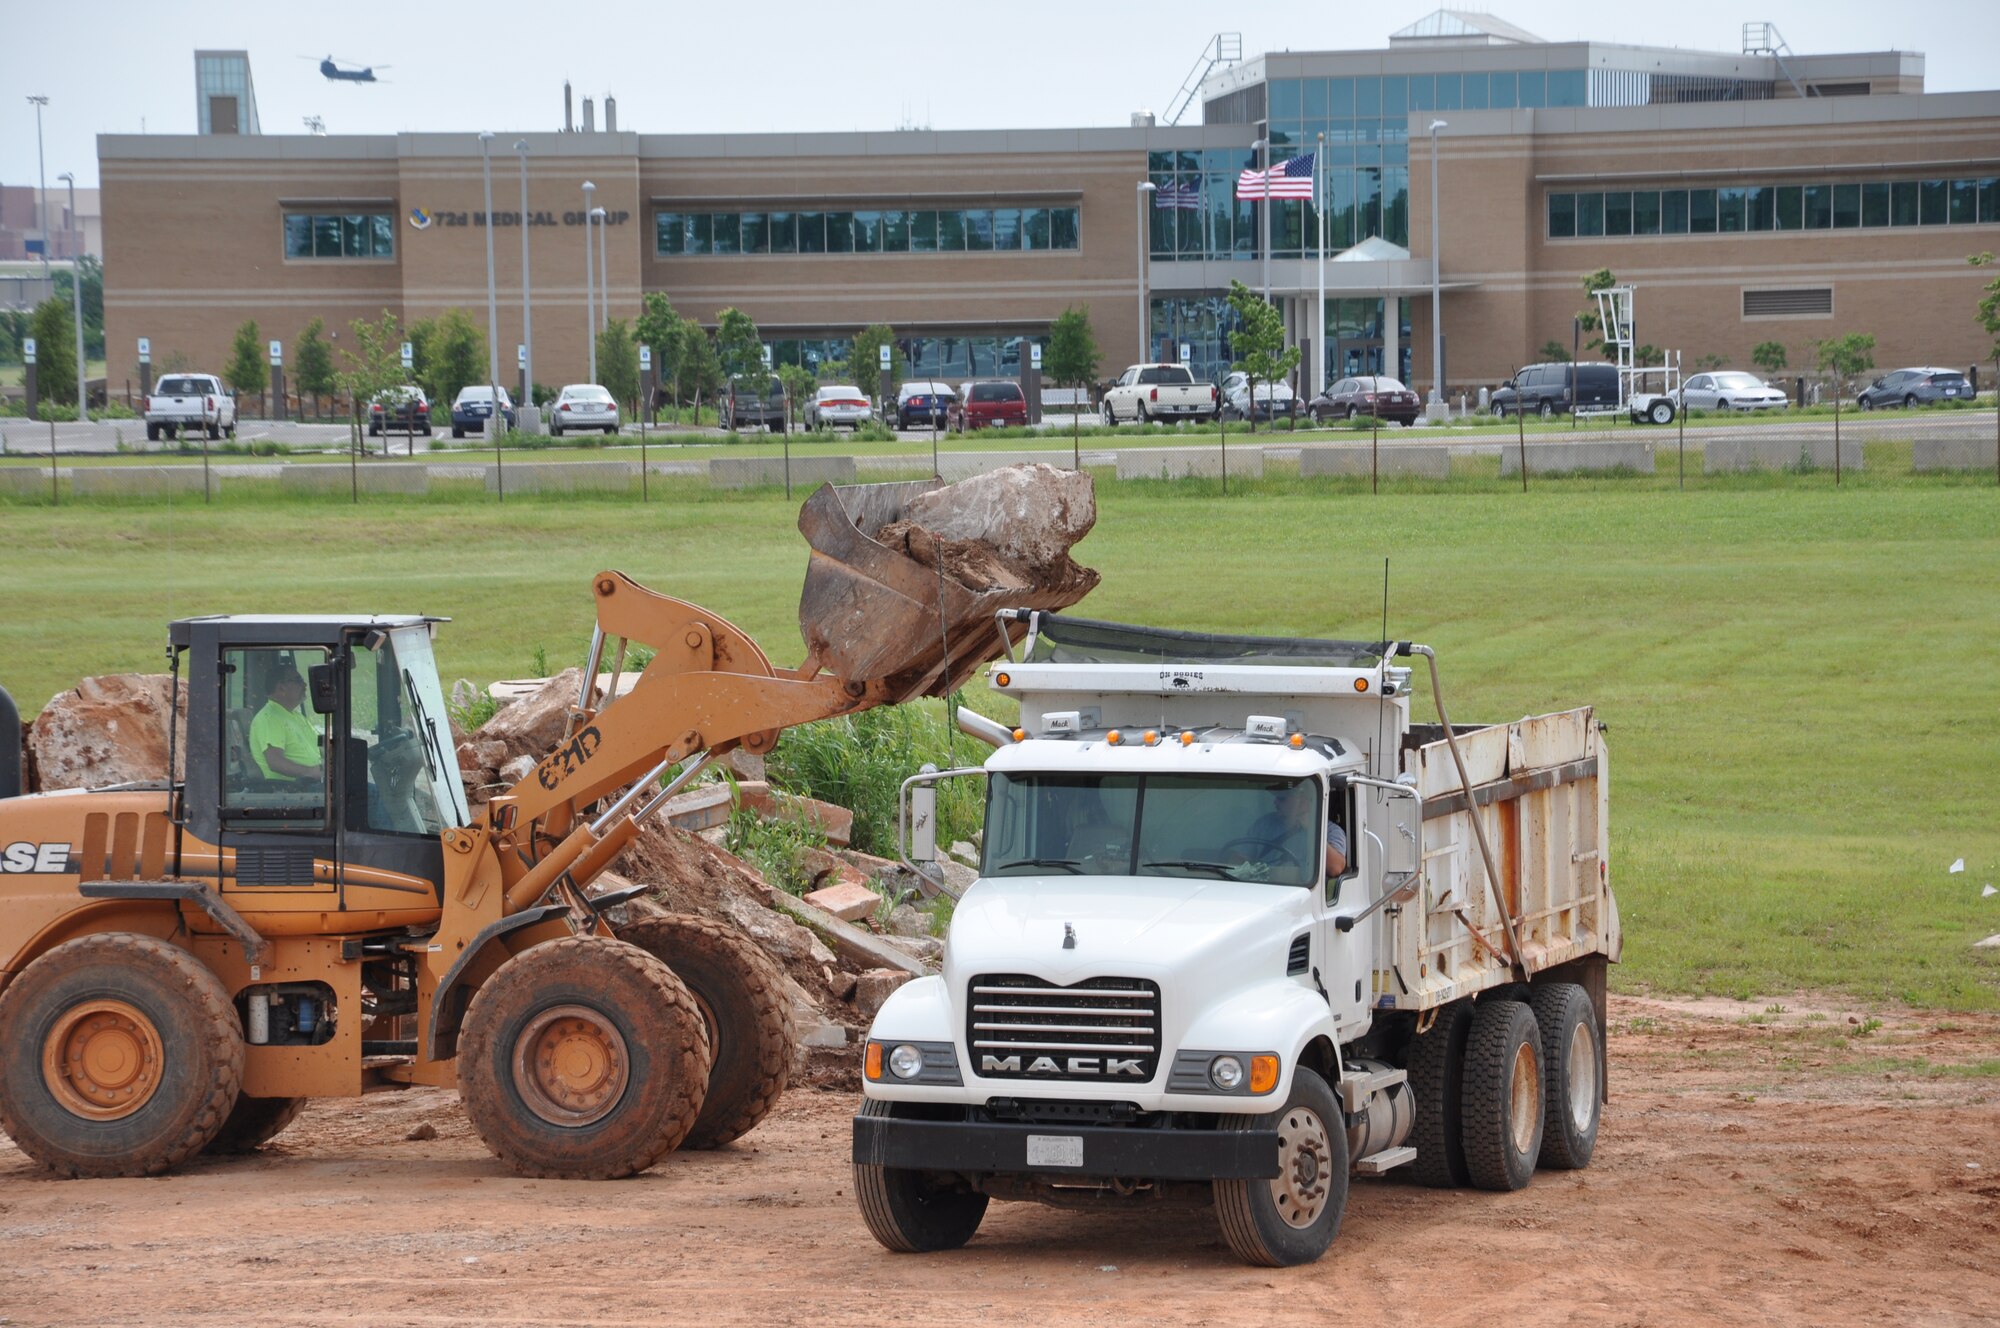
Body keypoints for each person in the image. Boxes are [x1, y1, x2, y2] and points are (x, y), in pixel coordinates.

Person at [1249, 780, 1347, 879]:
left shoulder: (1330, 831)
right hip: (1261, 885)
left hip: (1305, 889)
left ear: (1304, 801)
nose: (1275, 802)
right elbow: (1238, 857)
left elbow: (1336, 868)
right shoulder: (1264, 824)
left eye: (1282, 799)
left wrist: (1312, 829)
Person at [249, 669, 323, 785]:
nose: (304, 685)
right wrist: (312, 772)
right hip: (292, 790)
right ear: (281, 688)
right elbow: (275, 762)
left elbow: (318, 747)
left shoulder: (296, 716)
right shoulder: (270, 718)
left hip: (311, 784)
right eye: (298, 681)